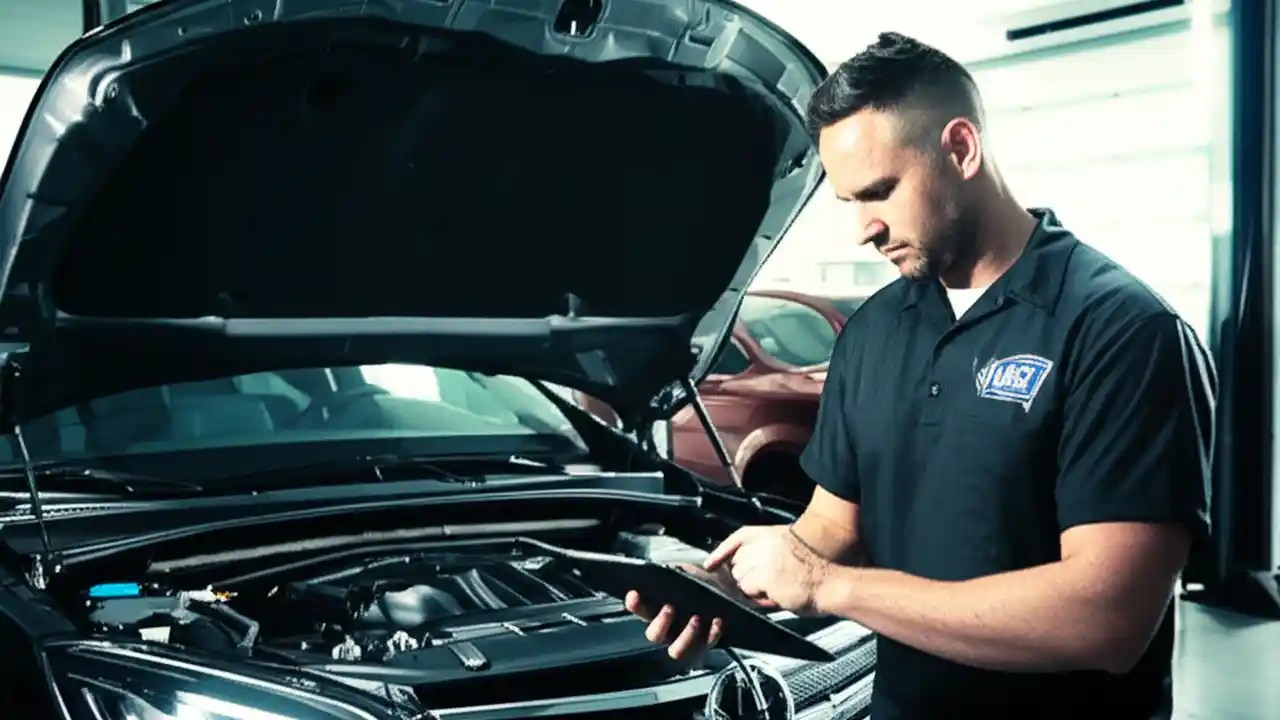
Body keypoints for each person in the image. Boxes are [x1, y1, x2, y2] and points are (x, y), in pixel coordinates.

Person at [624, 31, 1215, 719]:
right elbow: (832, 528)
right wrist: (733, 585)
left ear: (960, 148)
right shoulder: (873, 332)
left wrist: (829, 586)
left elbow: (1107, 619)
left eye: (880, 192)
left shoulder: (1123, 331)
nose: (863, 230)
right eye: (849, 202)